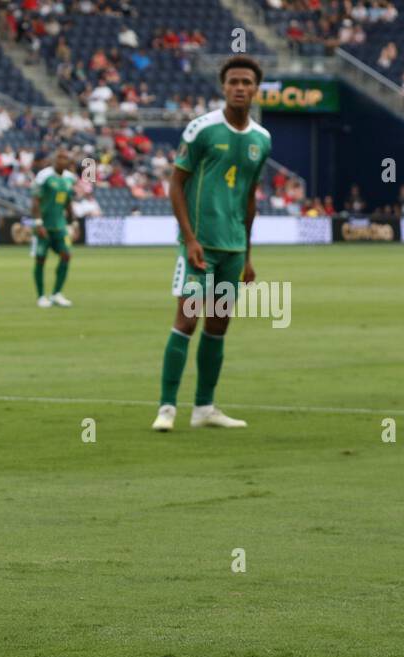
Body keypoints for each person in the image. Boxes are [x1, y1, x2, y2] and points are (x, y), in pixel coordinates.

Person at [152, 55, 271, 432]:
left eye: (246, 82)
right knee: (187, 319)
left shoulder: (261, 139)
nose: (239, 87)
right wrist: (188, 238)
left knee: (218, 325)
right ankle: (166, 408)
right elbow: (176, 183)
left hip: (233, 249)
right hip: (199, 246)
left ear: (255, 89)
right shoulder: (201, 129)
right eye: (233, 81)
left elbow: (250, 197)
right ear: (223, 87)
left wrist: (249, 256)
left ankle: (204, 409)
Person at [31, 148, 77, 308]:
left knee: (66, 255)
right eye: (60, 158)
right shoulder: (44, 176)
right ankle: (41, 296)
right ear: (54, 159)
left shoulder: (70, 179)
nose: (62, 161)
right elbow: (35, 201)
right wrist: (38, 223)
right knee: (41, 258)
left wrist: (74, 223)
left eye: (65, 158)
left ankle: (57, 293)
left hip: (60, 226)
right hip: (44, 225)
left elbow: (68, 202)